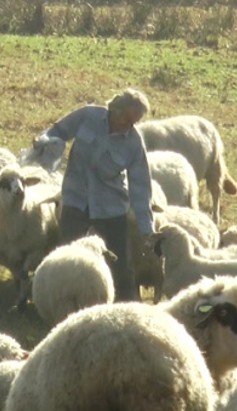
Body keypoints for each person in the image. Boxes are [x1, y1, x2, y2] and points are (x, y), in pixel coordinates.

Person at [33, 88, 154, 302]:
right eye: (127, 119)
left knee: (119, 265)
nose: (129, 126)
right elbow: (58, 130)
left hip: (110, 209)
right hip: (75, 200)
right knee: (68, 258)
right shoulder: (88, 116)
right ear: (115, 109)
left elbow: (140, 187)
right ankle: (61, 305)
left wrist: (146, 229)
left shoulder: (134, 143)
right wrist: (45, 142)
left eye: (134, 122)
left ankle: (128, 309)